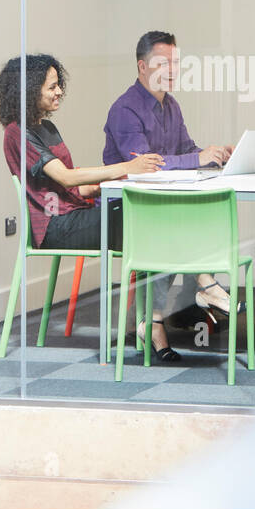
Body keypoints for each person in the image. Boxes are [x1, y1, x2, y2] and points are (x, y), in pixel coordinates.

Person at [0, 54, 182, 362]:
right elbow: (67, 177)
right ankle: (164, 314)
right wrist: (125, 166)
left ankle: (153, 320)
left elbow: (70, 188)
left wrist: (117, 179)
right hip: (56, 226)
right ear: (28, 90)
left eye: (59, 85)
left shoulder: (47, 128)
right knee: (155, 224)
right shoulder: (17, 132)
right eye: (52, 87)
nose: (59, 92)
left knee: (160, 220)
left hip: (74, 214)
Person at [103, 30, 238, 324]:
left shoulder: (171, 105)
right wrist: (197, 159)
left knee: (205, 214)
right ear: (142, 67)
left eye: (175, 63)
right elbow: (145, 166)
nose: (172, 70)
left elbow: (186, 150)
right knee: (179, 222)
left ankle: (184, 307)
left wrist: (214, 156)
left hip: (158, 204)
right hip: (127, 210)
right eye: (163, 63)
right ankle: (187, 298)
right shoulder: (125, 109)